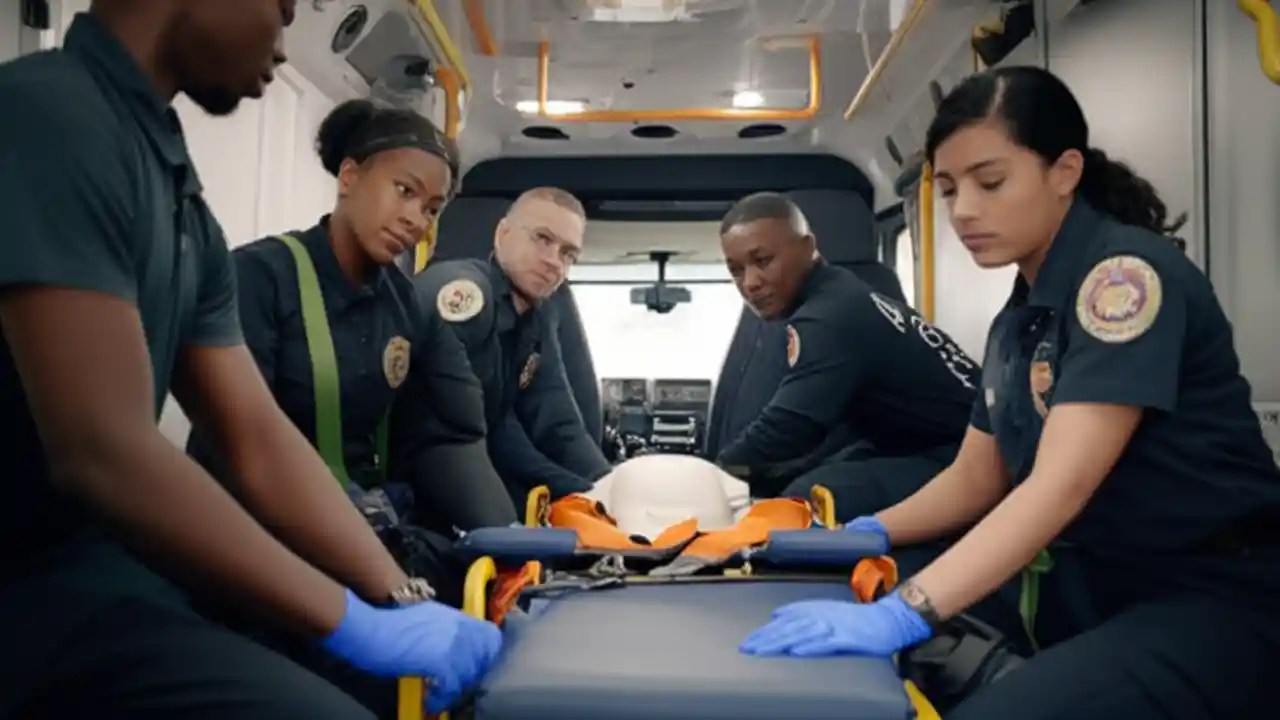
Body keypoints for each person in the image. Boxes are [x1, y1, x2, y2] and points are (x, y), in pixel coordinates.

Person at [0, 3, 498, 718]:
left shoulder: (181, 201)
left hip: (93, 580)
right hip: (30, 588)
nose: (284, 44)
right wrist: (353, 623)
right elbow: (105, 452)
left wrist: (398, 595)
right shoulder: (50, 116)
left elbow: (255, 436)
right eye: (281, 7)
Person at [740, 66, 1280, 718]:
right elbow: (977, 477)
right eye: (948, 190)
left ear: (1065, 171)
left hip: (1208, 597)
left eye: (990, 182)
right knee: (854, 582)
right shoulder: (1021, 316)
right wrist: (867, 533)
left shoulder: (1123, 282)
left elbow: (1059, 487)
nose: (964, 210)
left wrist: (905, 612)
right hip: (1096, 579)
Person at [716, 192, 980, 520]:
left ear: (808, 247)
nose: (750, 283)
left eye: (763, 260)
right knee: (781, 481)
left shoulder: (829, 315)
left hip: (964, 457)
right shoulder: (840, 292)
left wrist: (714, 473)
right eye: (736, 270)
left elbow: (791, 426)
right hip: (912, 445)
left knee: (806, 501)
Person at [413, 187, 612, 505]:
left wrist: (610, 485)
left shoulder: (538, 315)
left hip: (469, 462)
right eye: (542, 239)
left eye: (567, 254)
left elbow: (556, 421)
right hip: (425, 470)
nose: (554, 262)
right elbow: (479, 432)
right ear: (502, 234)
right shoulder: (468, 297)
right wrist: (591, 494)